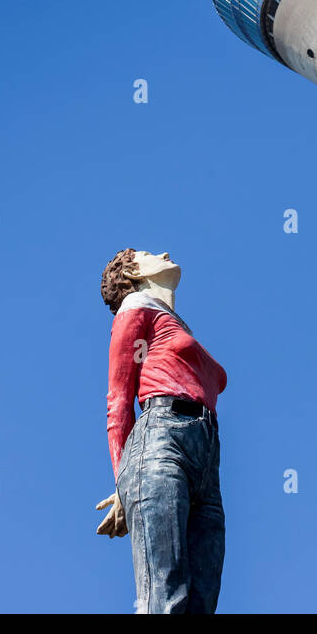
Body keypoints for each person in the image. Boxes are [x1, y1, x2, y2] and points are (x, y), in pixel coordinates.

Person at [96, 248, 227, 614]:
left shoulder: (175, 324)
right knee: (164, 597)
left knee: (201, 603)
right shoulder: (136, 308)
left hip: (206, 455)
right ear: (134, 272)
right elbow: (118, 400)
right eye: (150, 253)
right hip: (162, 441)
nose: (165, 253)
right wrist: (123, 481)